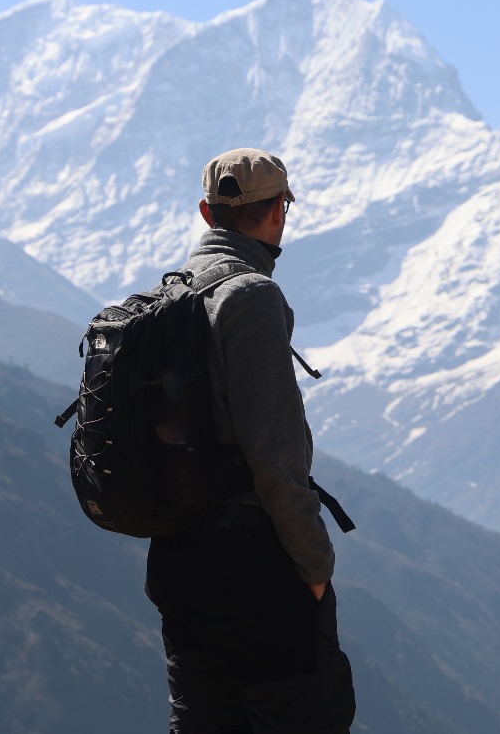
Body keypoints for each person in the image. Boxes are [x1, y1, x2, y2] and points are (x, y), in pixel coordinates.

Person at [144, 146, 356, 733]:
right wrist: (315, 565)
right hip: (254, 565)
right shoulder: (252, 298)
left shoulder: (173, 296)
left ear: (206, 213)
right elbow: (275, 454)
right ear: (279, 212)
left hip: (179, 560)